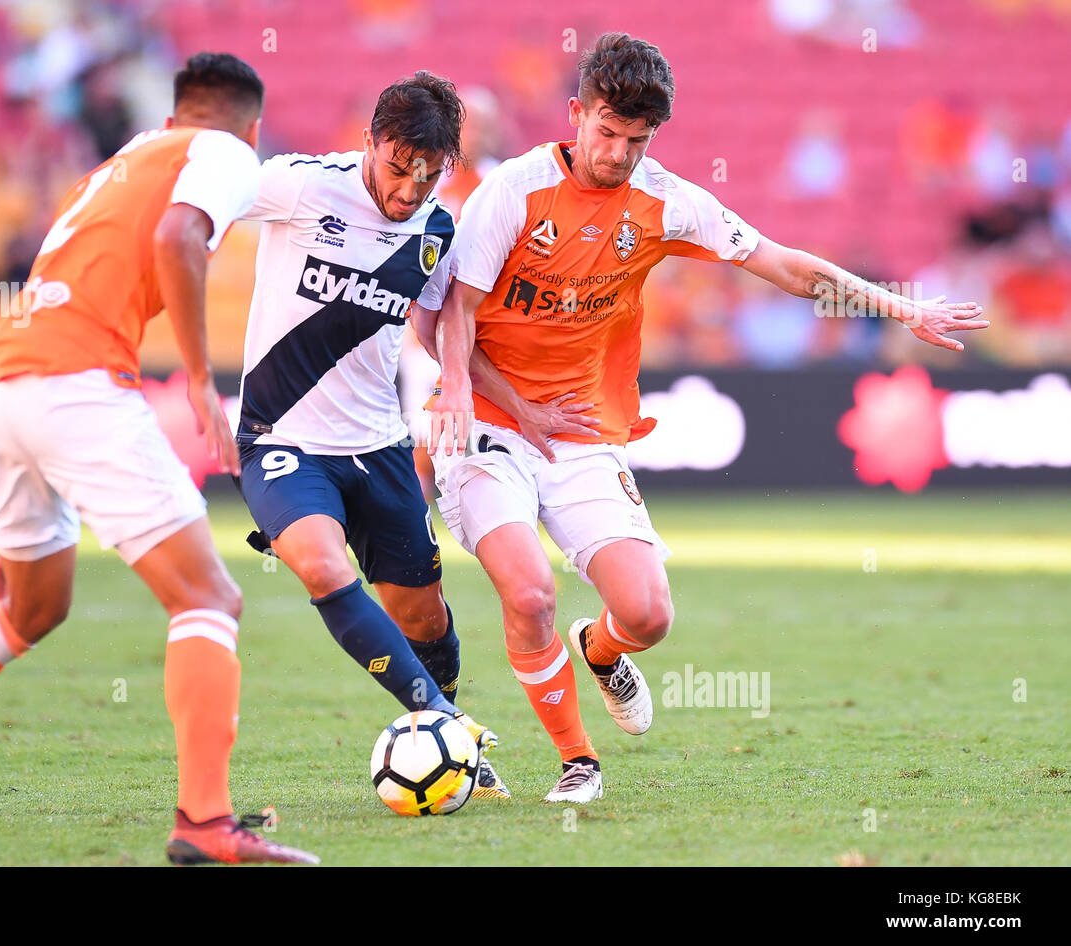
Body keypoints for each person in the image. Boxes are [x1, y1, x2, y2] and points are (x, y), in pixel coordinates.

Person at [423, 32, 987, 803]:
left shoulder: (665, 200)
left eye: (636, 140)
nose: (618, 154)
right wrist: (463, 387)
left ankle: (601, 650)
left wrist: (900, 308)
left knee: (649, 616)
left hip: (580, 431)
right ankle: (577, 761)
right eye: (606, 133)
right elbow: (455, 309)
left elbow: (787, 265)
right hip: (487, 424)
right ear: (576, 114)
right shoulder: (512, 193)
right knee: (527, 594)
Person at [0, 53, 318, 865]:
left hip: (7, 380)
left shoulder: (115, 166)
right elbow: (181, 235)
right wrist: (194, 379)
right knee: (210, 597)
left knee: (27, 610)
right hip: (78, 383)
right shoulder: (224, 153)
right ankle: (205, 824)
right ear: (248, 124)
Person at [233, 72, 505, 795]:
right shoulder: (298, 186)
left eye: (429, 174)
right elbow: (197, 203)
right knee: (325, 569)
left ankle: (451, 717)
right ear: (370, 142)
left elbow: (443, 317)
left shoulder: (439, 226)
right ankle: (448, 726)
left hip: (380, 446)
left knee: (421, 612)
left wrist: (453, 381)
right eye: (398, 168)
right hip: (282, 439)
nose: (411, 190)